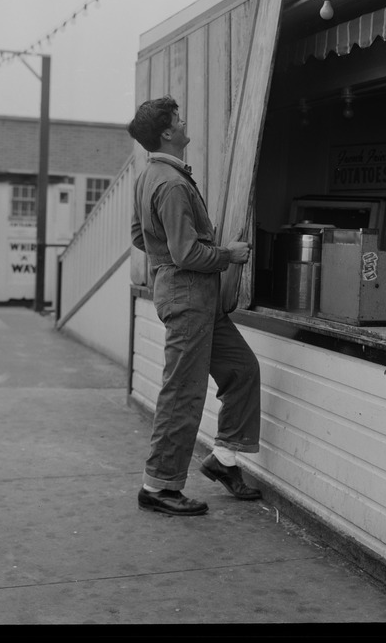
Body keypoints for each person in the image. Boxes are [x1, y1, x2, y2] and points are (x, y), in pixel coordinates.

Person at [128, 95, 263, 517]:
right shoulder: (170, 183)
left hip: (197, 298)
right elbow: (187, 254)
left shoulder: (152, 175)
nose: (185, 123)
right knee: (183, 394)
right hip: (189, 295)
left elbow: (139, 235)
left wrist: (164, 253)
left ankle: (222, 461)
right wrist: (228, 255)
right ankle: (159, 487)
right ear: (168, 132)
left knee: (241, 369)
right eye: (178, 119)